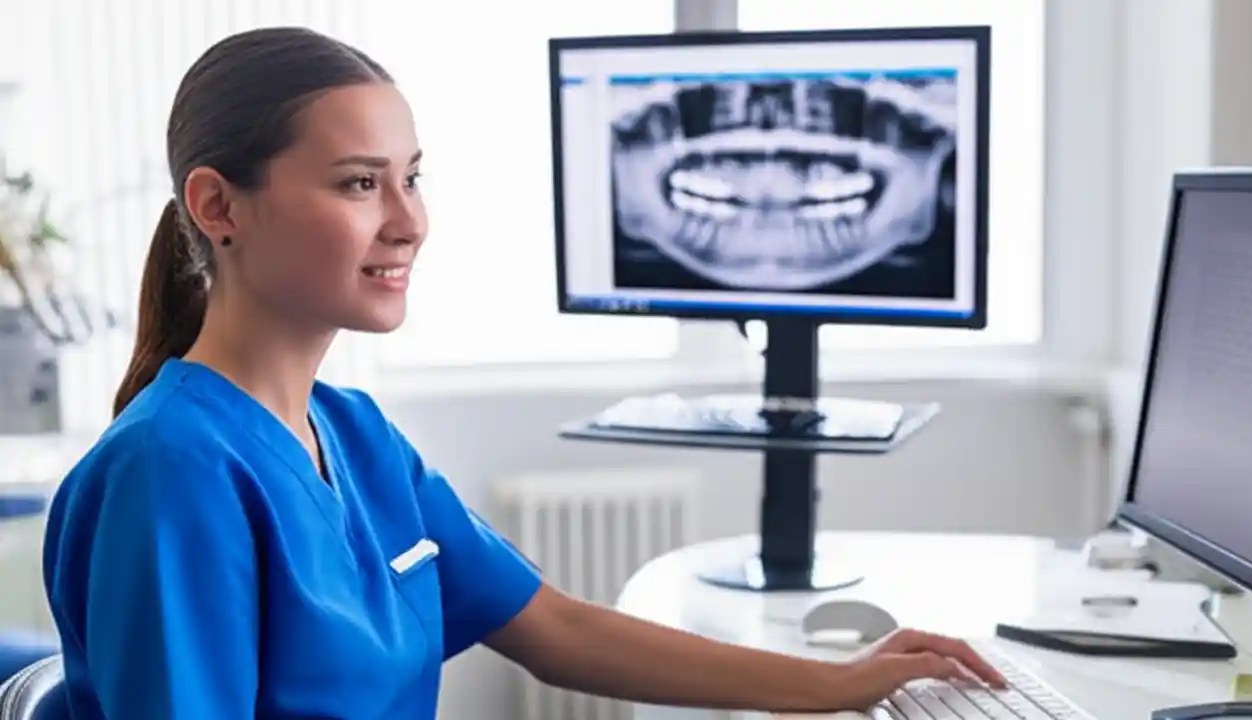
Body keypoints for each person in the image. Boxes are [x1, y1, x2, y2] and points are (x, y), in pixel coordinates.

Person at [40, 26, 1005, 719]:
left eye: (412, 177)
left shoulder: (354, 434)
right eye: (359, 183)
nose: (409, 222)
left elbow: (547, 626)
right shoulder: (173, 473)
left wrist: (830, 684)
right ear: (219, 205)